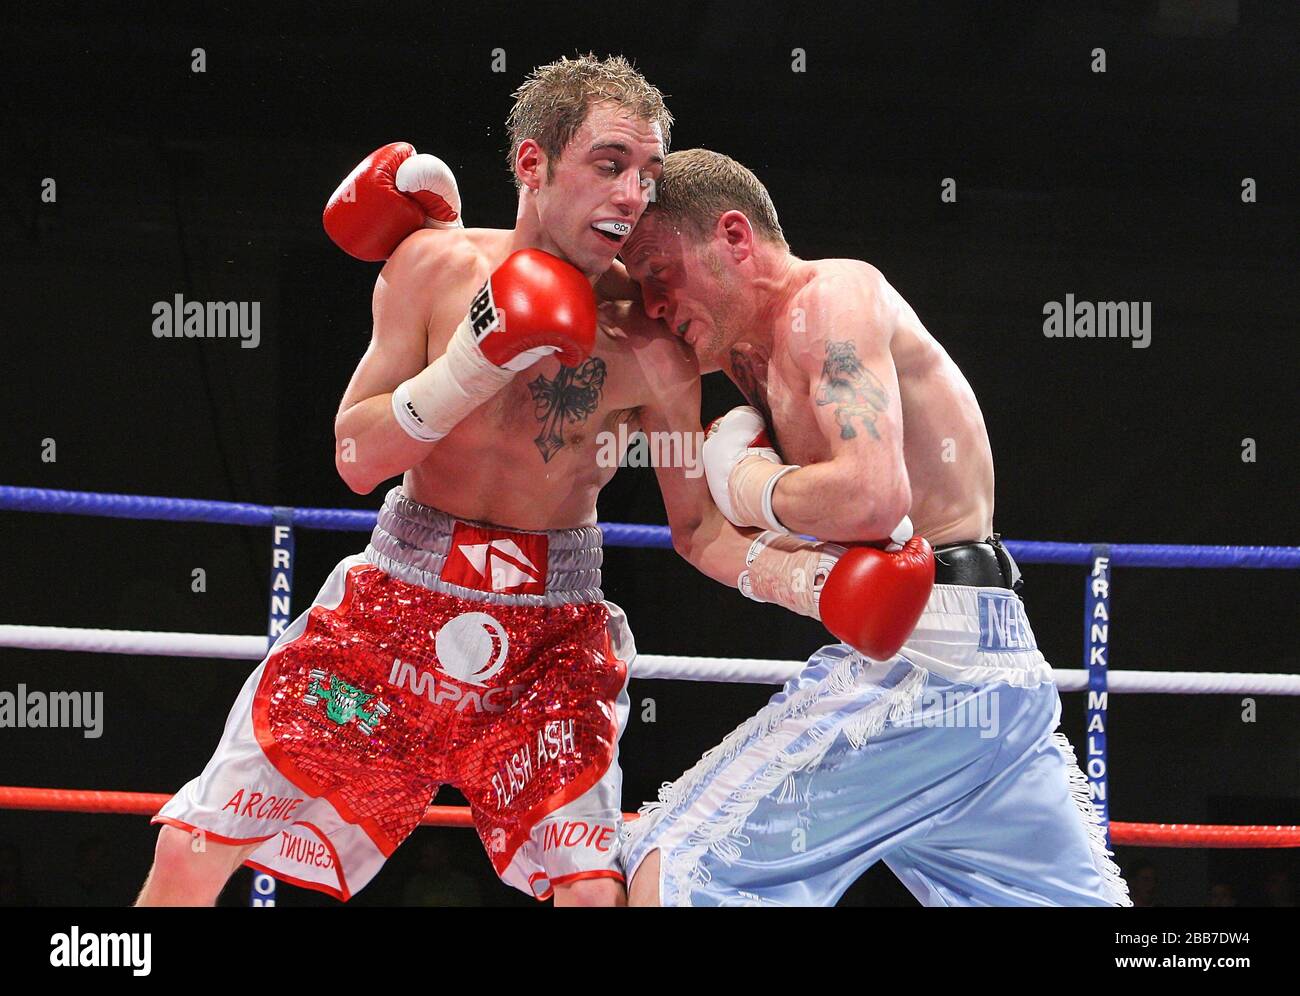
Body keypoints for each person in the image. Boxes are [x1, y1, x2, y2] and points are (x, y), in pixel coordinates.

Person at [137, 56, 930, 907]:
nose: (632, 194)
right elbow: (357, 459)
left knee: (593, 895)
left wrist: (812, 583)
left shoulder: (657, 349)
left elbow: (696, 529)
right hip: (388, 616)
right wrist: (473, 361)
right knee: (193, 847)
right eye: (609, 164)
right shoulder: (432, 270)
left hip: (549, 648)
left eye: (647, 173)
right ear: (531, 165)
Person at [617, 148, 1132, 907]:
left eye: (660, 271)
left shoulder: (829, 298)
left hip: (933, 663)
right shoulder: (746, 365)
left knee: (676, 871)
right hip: (981, 672)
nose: (653, 303)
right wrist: (814, 583)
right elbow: (698, 534)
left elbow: (870, 494)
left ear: (733, 235)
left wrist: (750, 483)